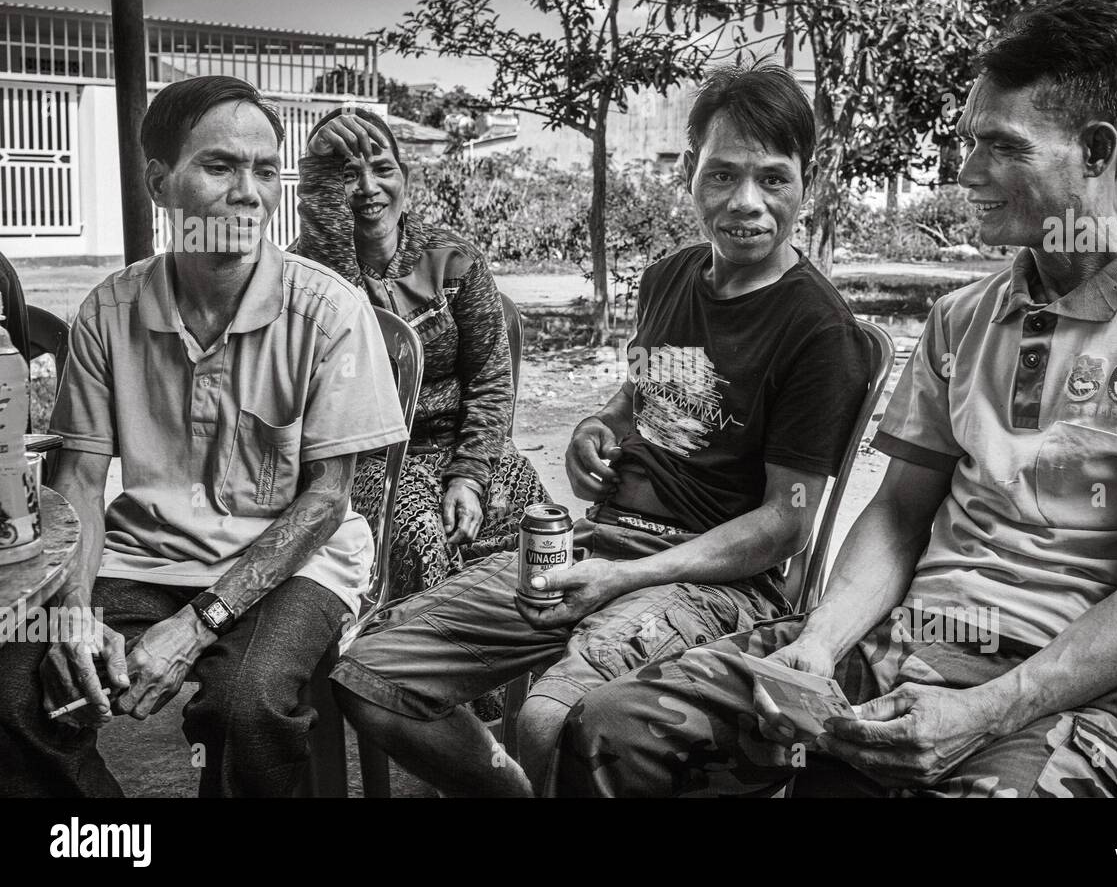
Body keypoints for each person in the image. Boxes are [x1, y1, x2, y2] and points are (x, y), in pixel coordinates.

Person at [554, 0, 1117, 798]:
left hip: (1092, 685)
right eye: (969, 142)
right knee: (615, 729)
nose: (967, 173)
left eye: (1001, 147)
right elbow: (899, 514)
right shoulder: (961, 318)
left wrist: (989, 709)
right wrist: (820, 643)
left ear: (1096, 151)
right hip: (907, 639)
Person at [329, 61, 874, 796]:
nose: (746, 203)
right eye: (723, 176)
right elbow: (637, 400)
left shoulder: (819, 328)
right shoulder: (670, 277)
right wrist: (595, 427)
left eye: (774, 179)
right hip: (597, 545)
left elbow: (785, 526)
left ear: (810, 179)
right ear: (689, 172)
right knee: (369, 673)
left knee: (552, 718)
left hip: (715, 581)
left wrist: (629, 576)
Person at [0, 76, 408, 797]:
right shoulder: (111, 309)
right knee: (15, 682)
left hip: (298, 562)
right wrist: (70, 612)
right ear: (160, 182)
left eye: (263, 171)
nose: (249, 192)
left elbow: (325, 502)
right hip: (146, 555)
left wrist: (195, 625)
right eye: (220, 166)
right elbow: (81, 481)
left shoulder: (328, 311)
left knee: (248, 708)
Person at [293, 106, 549, 603]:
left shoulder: (452, 259)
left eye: (382, 169)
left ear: (405, 178)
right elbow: (334, 328)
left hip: (457, 445)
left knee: (537, 525)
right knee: (417, 537)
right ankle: (418, 673)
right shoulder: (306, 271)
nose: (368, 187)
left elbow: (490, 378)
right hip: (364, 459)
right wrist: (320, 179)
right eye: (347, 176)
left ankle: (526, 673)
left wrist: (471, 476)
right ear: (325, 191)